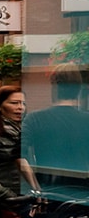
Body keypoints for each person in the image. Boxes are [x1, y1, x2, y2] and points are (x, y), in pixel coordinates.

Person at [0, 85, 39, 218]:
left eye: (23, 103)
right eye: (14, 103)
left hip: (20, 199)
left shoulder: (20, 132)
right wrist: (8, 195)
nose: (20, 107)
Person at [23, 65, 84, 199]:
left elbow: (21, 157)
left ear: (55, 87)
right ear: (79, 89)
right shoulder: (86, 120)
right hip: (84, 194)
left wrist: (36, 188)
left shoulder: (34, 119)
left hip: (50, 192)